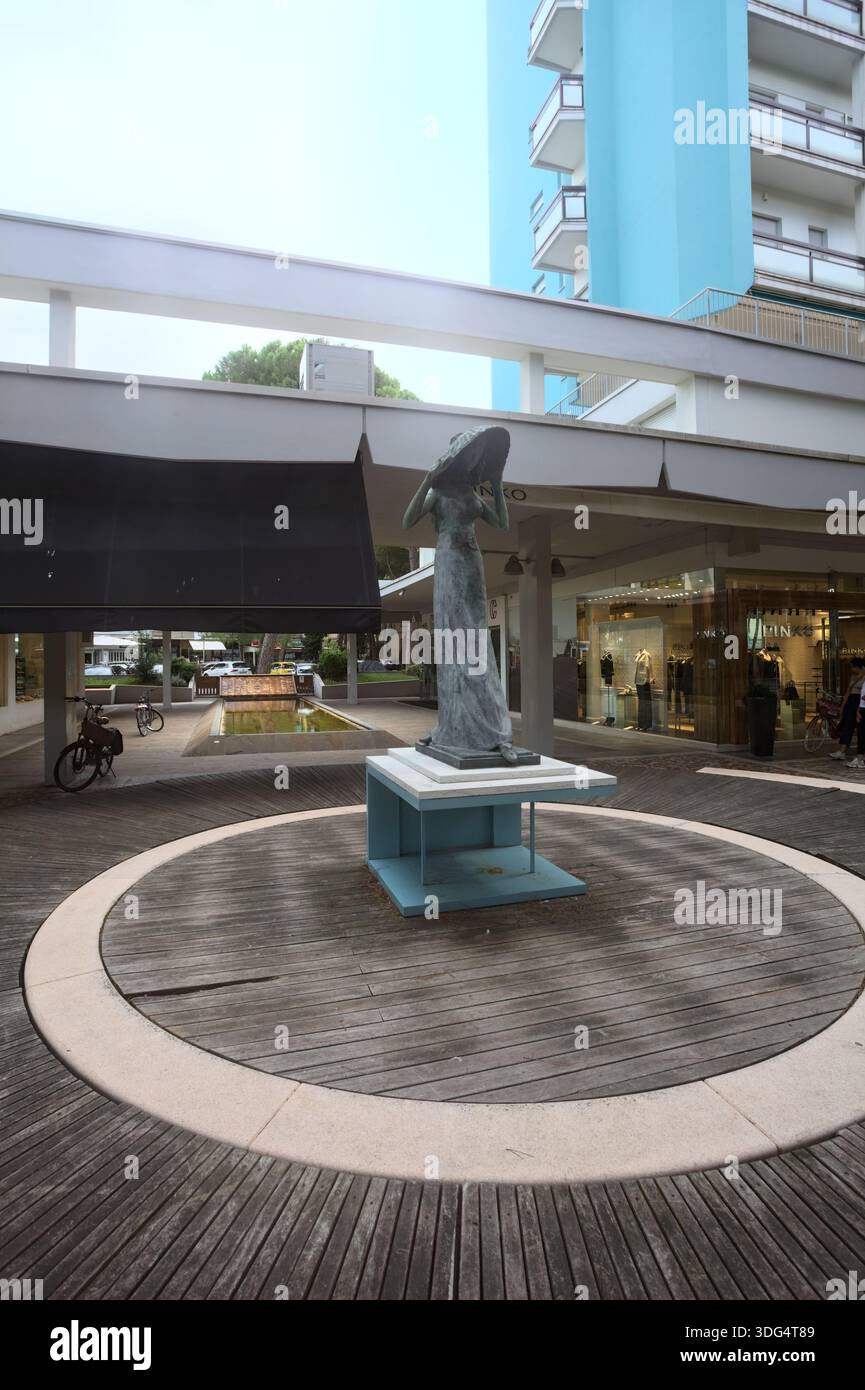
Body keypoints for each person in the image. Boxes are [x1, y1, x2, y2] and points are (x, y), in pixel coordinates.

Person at [831, 656, 865, 763]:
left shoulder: (864, 676)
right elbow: (847, 692)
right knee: (847, 725)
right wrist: (843, 706)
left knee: (861, 728)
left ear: (858, 667)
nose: (851, 669)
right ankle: (842, 750)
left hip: (860, 701)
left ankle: (860, 754)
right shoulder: (852, 677)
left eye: (852, 667)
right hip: (851, 701)